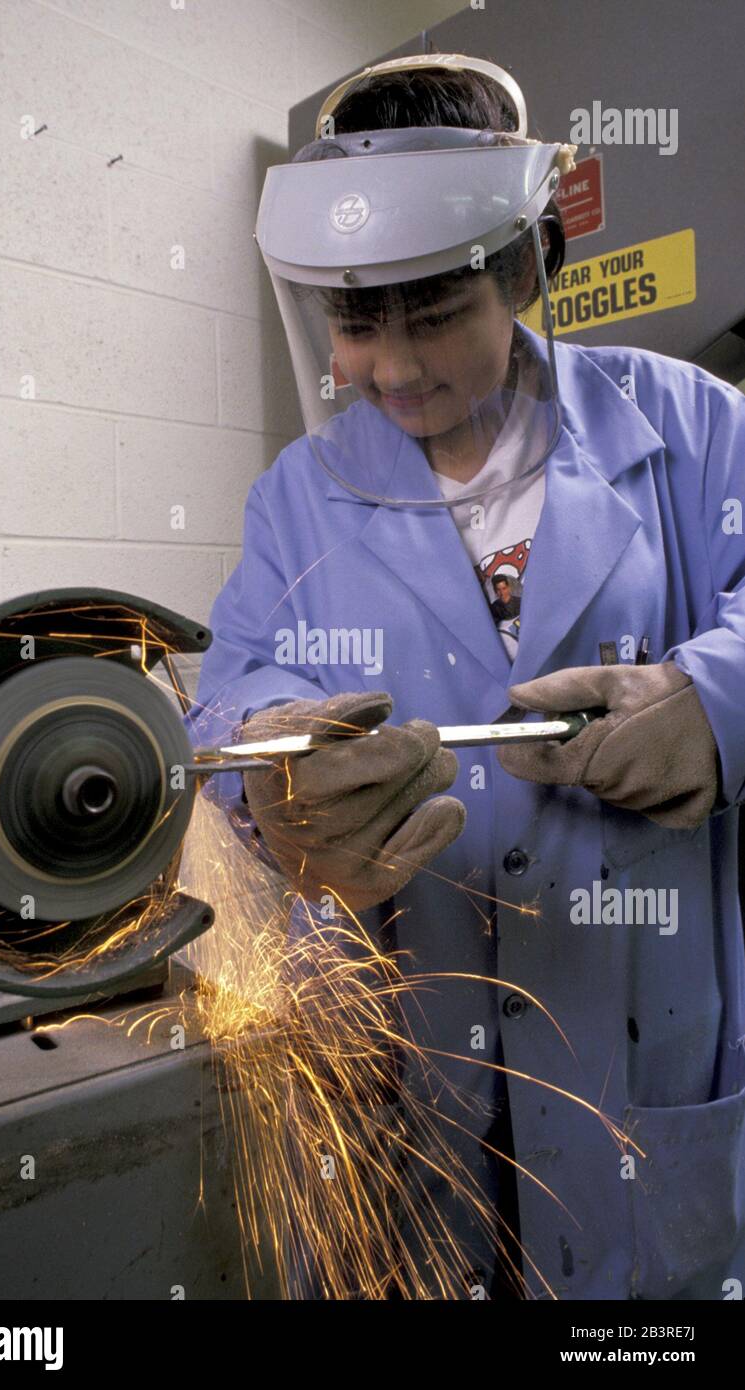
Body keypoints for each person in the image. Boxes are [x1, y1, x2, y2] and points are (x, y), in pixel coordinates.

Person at [186, 54, 745, 1300]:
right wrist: (275, 761)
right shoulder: (298, 494)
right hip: (414, 1060)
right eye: (354, 319)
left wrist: (713, 704)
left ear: (524, 267)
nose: (387, 370)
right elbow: (226, 693)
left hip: (641, 1055)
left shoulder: (691, 426)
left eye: (430, 313)